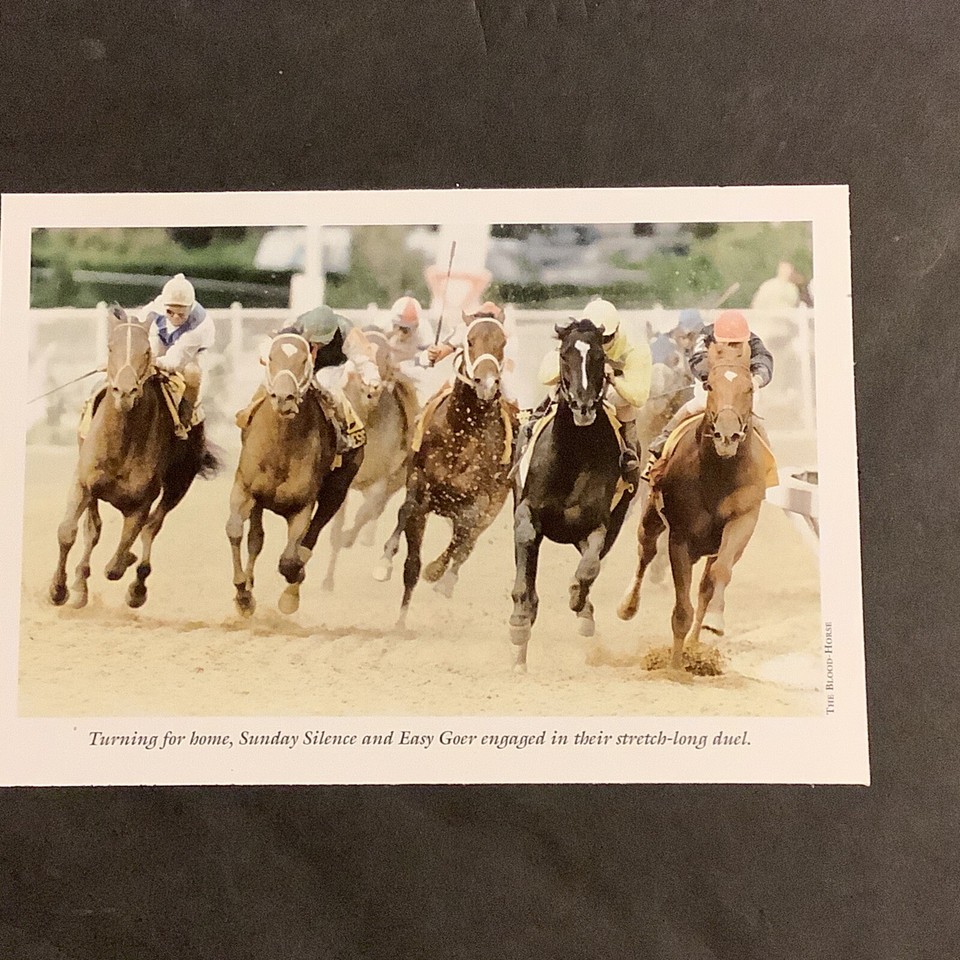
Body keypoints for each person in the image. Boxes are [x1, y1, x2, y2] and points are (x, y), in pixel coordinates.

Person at [641, 309, 773, 481]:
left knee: (758, 426)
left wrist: (757, 378)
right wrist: (713, 379)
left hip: (739, 396)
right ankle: (658, 453)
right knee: (686, 411)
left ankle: (768, 471)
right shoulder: (705, 336)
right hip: (711, 393)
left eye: (736, 344)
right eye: (726, 343)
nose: (731, 347)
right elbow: (697, 359)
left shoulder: (752, 340)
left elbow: (764, 360)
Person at [532, 298, 652, 481]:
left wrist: (613, 379)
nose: (600, 343)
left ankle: (629, 451)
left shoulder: (636, 348)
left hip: (612, 390)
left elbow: (639, 396)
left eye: (605, 339)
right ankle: (533, 427)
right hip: (579, 390)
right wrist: (572, 363)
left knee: (625, 404)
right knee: (558, 390)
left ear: (616, 331)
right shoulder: (575, 339)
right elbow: (544, 376)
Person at [242, 304, 381, 454]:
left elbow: (364, 358)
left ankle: (344, 431)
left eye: (320, 342)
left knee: (333, 392)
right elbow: (271, 343)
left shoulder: (347, 331)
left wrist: (372, 378)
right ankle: (247, 417)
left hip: (330, 367)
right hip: (298, 367)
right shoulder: (295, 325)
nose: (315, 345)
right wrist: (266, 356)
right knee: (272, 386)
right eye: (313, 341)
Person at [143, 273, 216, 436]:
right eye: (170, 312)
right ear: (163, 306)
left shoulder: (200, 325)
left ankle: (186, 417)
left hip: (192, 354)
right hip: (162, 342)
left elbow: (175, 361)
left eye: (181, 314)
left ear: (190, 308)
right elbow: (143, 334)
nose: (175, 317)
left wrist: (153, 361)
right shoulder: (153, 309)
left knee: (193, 374)